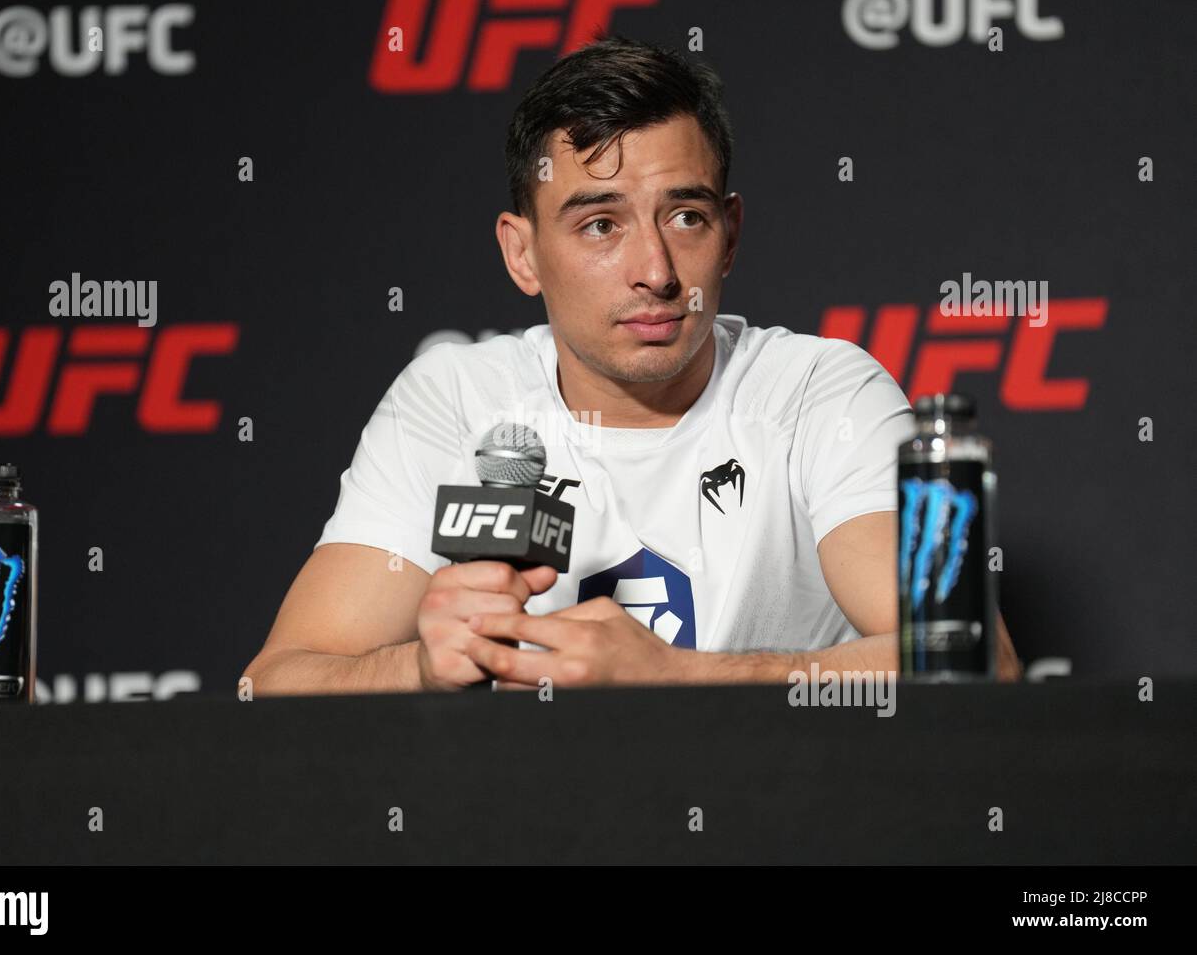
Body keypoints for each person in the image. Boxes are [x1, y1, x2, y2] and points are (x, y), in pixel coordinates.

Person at [243, 35, 1021, 694]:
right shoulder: (453, 399)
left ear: (732, 234)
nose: (655, 268)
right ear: (523, 253)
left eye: (687, 216)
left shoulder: (818, 393)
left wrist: (679, 677)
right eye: (600, 225)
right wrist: (421, 666)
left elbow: (971, 658)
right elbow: (275, 678)